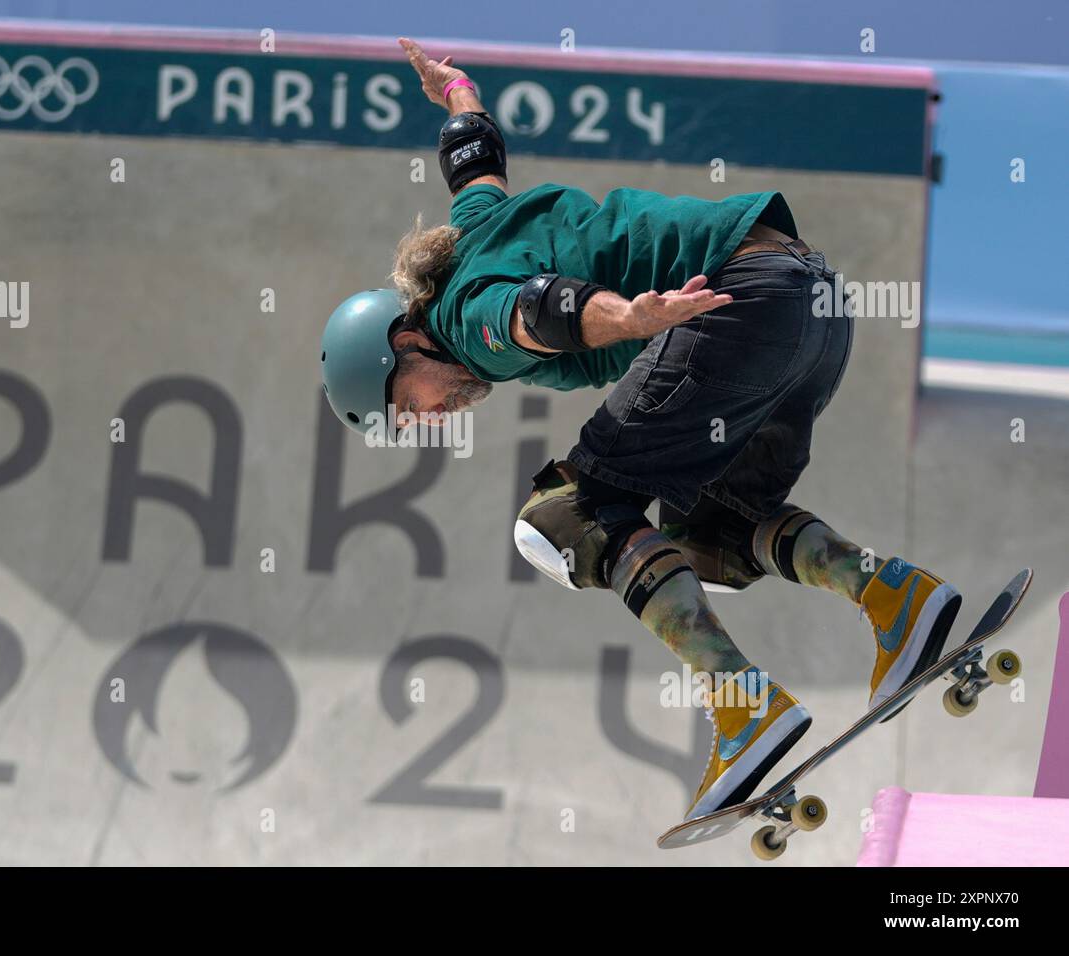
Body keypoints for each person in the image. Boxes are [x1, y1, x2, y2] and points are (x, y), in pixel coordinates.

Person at [320, 38, 960, 821]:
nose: (426, 418)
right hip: (810, 308)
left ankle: (743, 707)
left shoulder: (458, 315)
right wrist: (454, 88)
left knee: (560, 518)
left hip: (732, 302)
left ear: (404, 341)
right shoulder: (478, 229)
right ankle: (896, 596)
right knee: (714, 533)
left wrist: (627, 316)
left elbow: (536, 312)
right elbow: (473, 156)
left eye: (405, 403)